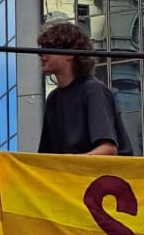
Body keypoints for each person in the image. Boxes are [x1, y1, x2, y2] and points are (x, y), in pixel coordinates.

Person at [36, 21, 133, 156]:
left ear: (70, 54)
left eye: (49, 47)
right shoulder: (53, 99)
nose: (41, 54)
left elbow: (108, 150)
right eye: (41, 47)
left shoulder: (93, 90)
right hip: (73, 173)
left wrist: (68, 163)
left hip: (104, 175)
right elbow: (45, 158)